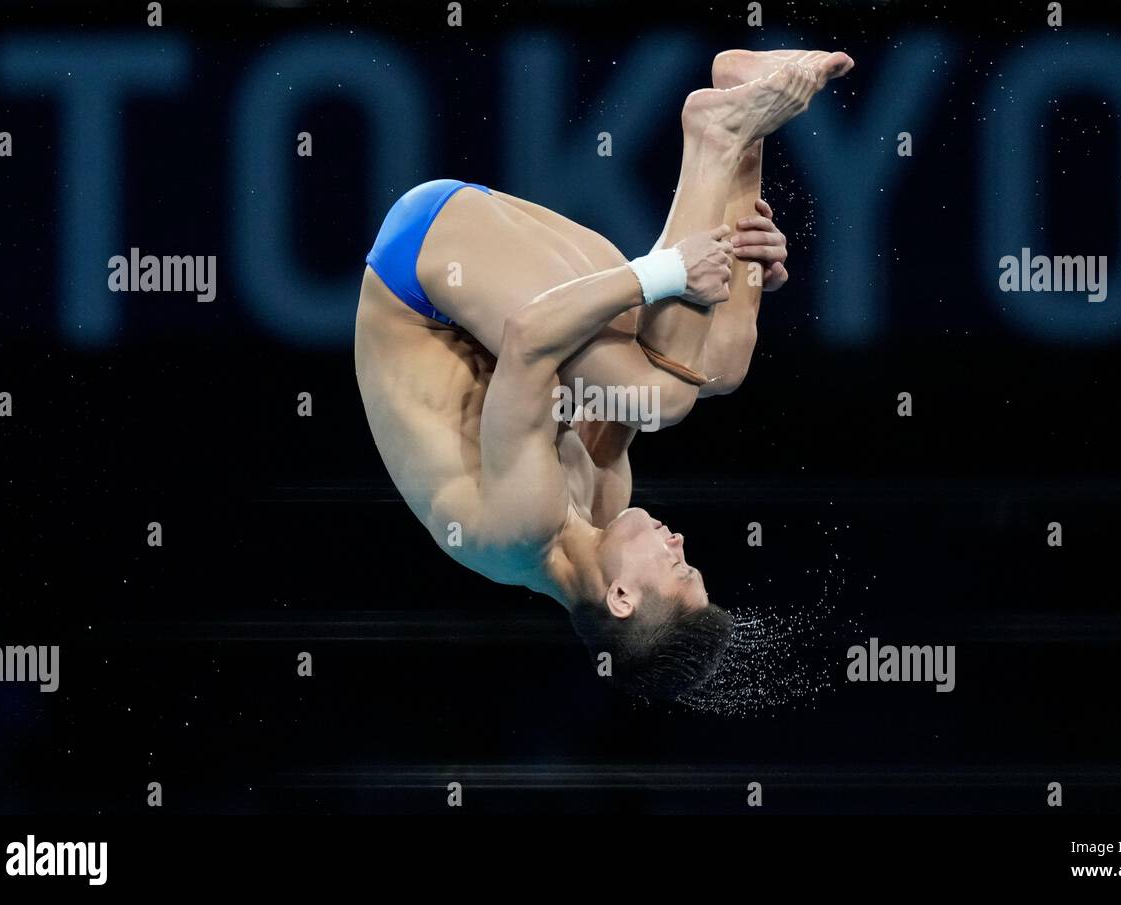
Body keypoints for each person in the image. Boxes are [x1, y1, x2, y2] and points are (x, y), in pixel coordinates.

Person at [354, 49, 854, 700]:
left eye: (679, 568)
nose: (680, 541)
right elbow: (664, 346)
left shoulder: (519, 529)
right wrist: (738, 267)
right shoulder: (603, 506)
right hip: (491, 280)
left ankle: (716, 134)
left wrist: (672, 273)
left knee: (665, 395)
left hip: (421, 272)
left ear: (620, 597)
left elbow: (532, 338)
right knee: (716, 369)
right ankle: (743, 115)